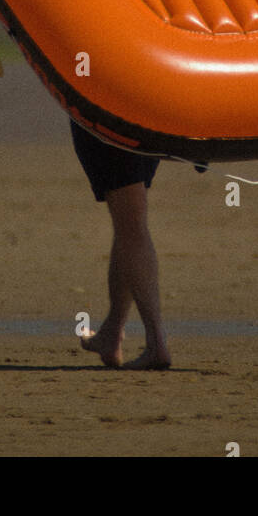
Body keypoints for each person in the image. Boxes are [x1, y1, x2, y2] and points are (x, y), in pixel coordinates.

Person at [70, 119, 171, 370]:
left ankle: (156, 342)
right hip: (146, 110)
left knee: (131, 224)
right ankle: (112, 332)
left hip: (109, 113)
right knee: (127, 221)